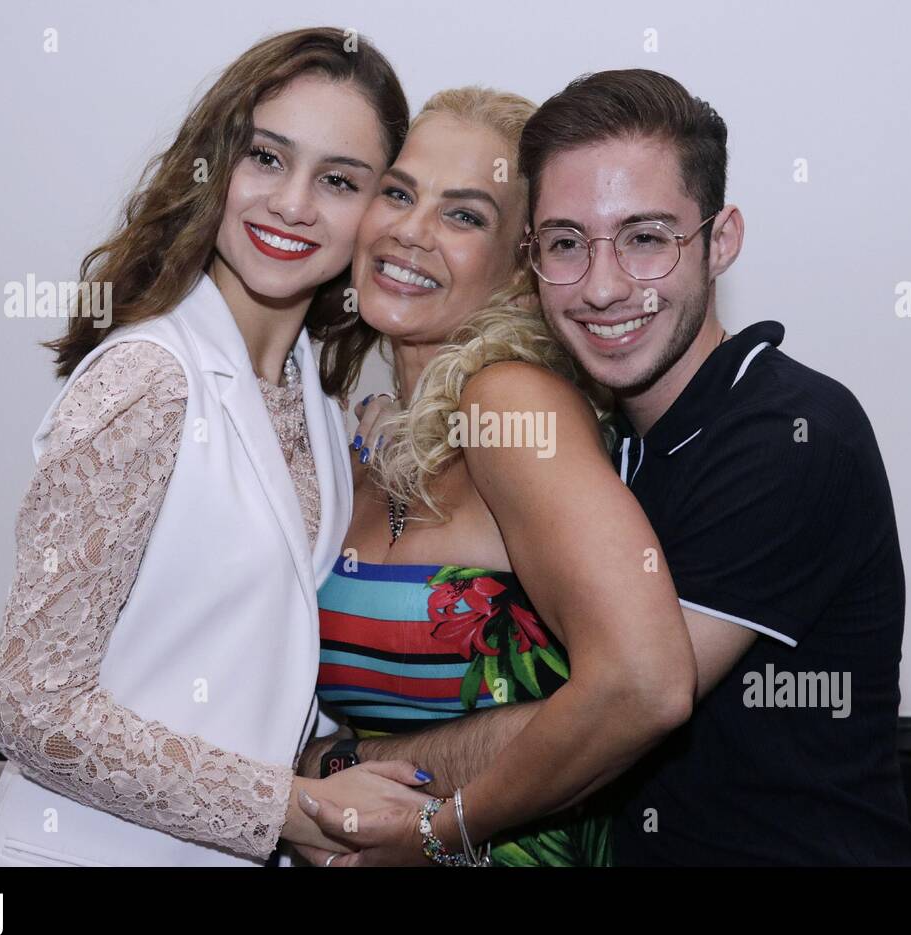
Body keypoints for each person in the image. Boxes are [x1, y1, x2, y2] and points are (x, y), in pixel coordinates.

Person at [301, 68, 911, 866]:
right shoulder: (613, 433)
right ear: (538, 261)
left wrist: (344, 776)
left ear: (722, 239)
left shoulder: (790, 436)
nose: (604, 286)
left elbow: (629, 696)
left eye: (645, 239)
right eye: (569, 242)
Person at [0, 28, 429, 868]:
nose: (292, 204)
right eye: (265, 158)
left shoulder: (319, 403)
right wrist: (294, 809)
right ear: (216, 165)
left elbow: (268, 663)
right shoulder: (147, 376)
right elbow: (30, 706)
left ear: (376, 211)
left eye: (339, 181)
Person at [290, 86, 697, 867]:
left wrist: (413, 828)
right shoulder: (357, 442)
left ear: (522, 266)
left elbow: (646, 684)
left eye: (465, 215)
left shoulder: (511, 405)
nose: (411, 231)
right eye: (399, 194)